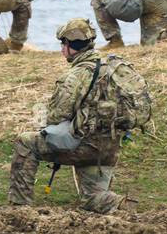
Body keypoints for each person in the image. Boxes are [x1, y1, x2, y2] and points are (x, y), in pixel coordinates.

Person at [8, 19, 150, 214]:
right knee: (92, 198)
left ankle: (19, 205)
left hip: (83, 146)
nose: (61, 49)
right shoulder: (110, 67)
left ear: (69, 45)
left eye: (62, 44)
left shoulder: (77, 74)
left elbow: (57, 115)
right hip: (109, 148)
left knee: (25, 142)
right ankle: (121, 204)